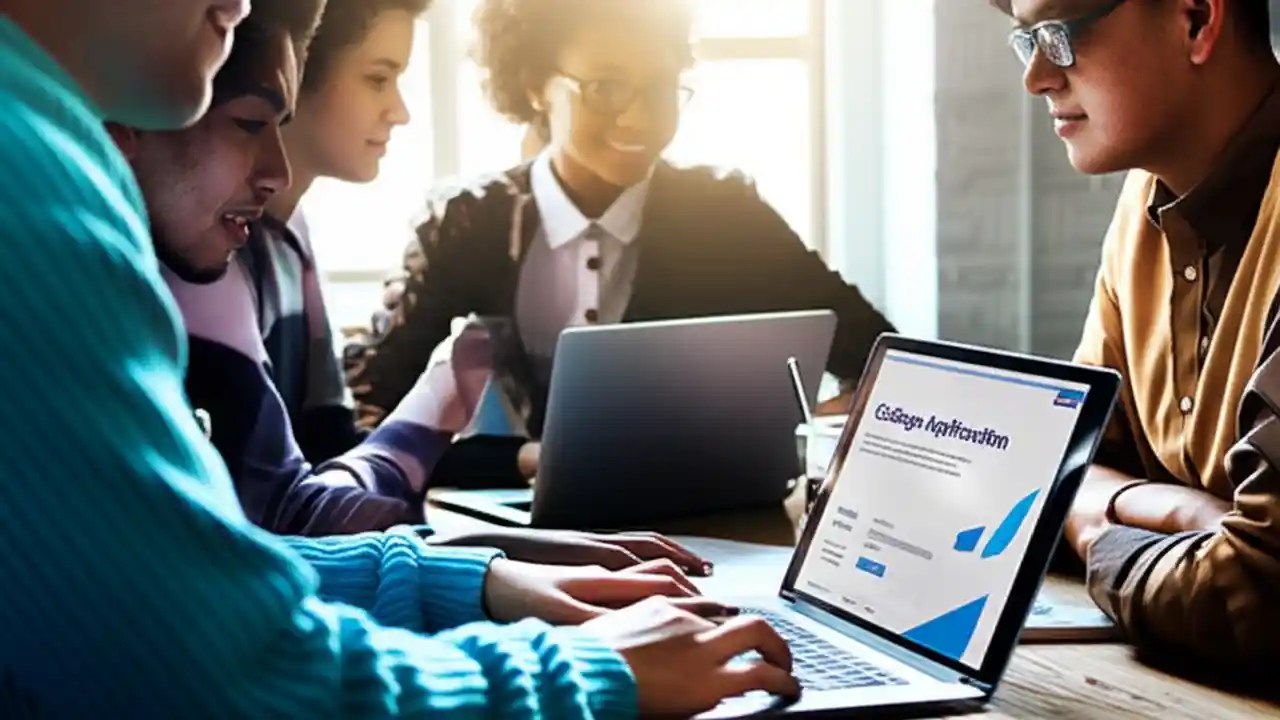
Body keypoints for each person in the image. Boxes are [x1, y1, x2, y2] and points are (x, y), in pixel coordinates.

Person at [0, 0, 803, 715]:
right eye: (377, 77)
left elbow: (192, 572)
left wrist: (472, 576)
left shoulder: (67, 158)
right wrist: (585, 668)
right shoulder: (34, 186)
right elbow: (228, 669)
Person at [125, 0, 716, 574]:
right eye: (379, 78)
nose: (401, 110)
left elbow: (320, 471)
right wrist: (507, 554)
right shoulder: (204, 257)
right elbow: (286, 516)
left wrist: (526, 553)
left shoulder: (280, 240)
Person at [346, 0, 896, 489]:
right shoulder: (466, 224)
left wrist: (798, 439)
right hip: (538, 530)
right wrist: (528, 460)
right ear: (537, 84)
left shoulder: (725, 214)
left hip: (708, 520)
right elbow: (370, 421)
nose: (638, 116)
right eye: (604, 87)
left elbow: (883, 360)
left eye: (660, 86)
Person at [994, 0, 1280, 666]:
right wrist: (1173, 512)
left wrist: (1095, 529)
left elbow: (1258, 592)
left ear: (1195, 19)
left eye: (1060, 35)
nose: (1035, 76)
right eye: (1026, 41)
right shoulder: (1146, 202)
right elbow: (1066, 461)